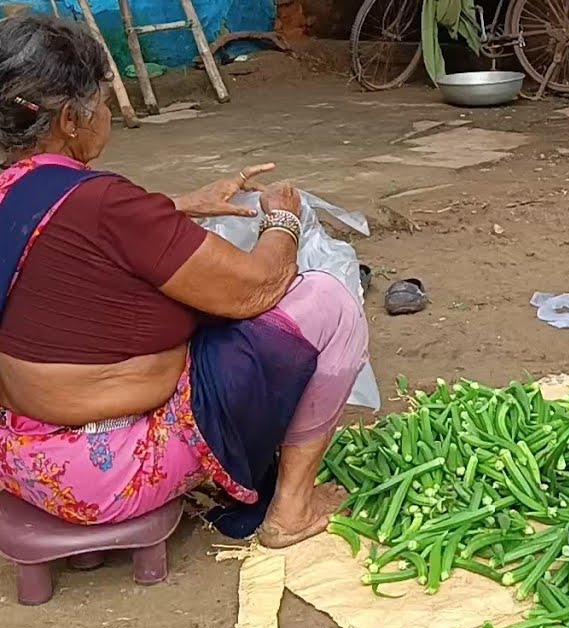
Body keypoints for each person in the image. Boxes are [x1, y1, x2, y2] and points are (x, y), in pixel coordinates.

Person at [0, 16, 368, 548]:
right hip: (105, 472)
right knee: (330, 301)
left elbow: (58, 228)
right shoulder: (106, 205)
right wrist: (283, 219)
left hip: (19, 454)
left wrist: (181, 206)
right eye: (102, 102)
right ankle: (292, 508)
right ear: (70, 120)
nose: (107, 114)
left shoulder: (18, 190)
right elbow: (256, 286)